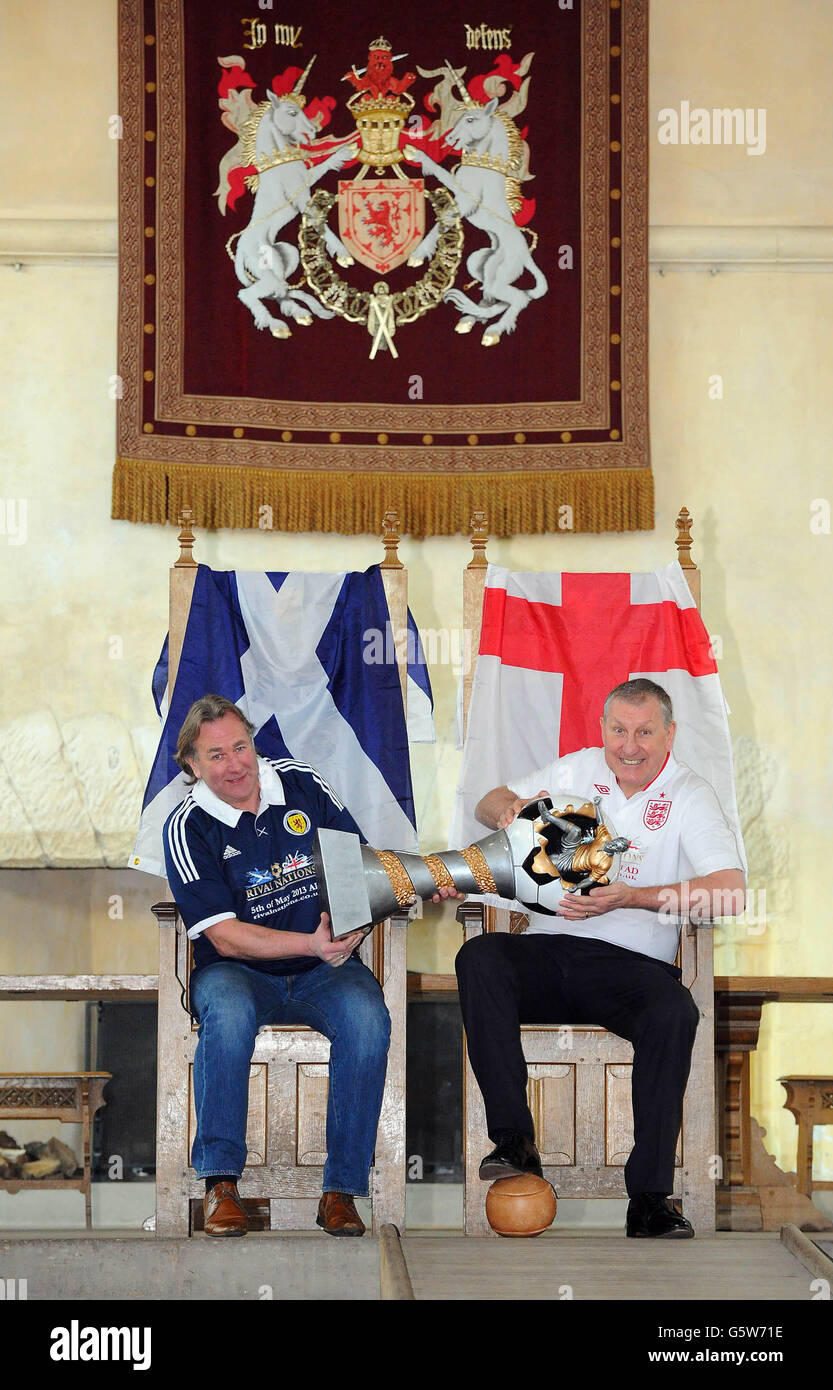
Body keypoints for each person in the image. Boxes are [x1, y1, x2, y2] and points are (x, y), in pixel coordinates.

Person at [456, 678, 745, 1239]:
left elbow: (729, 890)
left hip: (633, 967)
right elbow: (486, 800)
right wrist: (513, 812)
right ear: (603, 729)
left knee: (675, 1012)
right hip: (548, 949)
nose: (629, 746)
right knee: (481, 956)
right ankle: (515, 1141)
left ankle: (649, 1199)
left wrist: (635, 896)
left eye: (644, 732)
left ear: (669, 734)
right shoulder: (577, 770)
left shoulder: (690, 793)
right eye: (619, 730)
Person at [163, 694, 387, 1238]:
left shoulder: (302, 783)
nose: (235, 764)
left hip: (326, 966)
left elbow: (354, 864)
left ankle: (341, 1190)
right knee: (231, 1015)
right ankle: (221, 1184)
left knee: (367, 1021)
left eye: (240, 747)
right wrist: (310, 944)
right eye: (216, 756)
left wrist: (349, 923)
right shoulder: (187, 827)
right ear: (192, 764)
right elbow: (226, 937)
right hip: (237, 971)